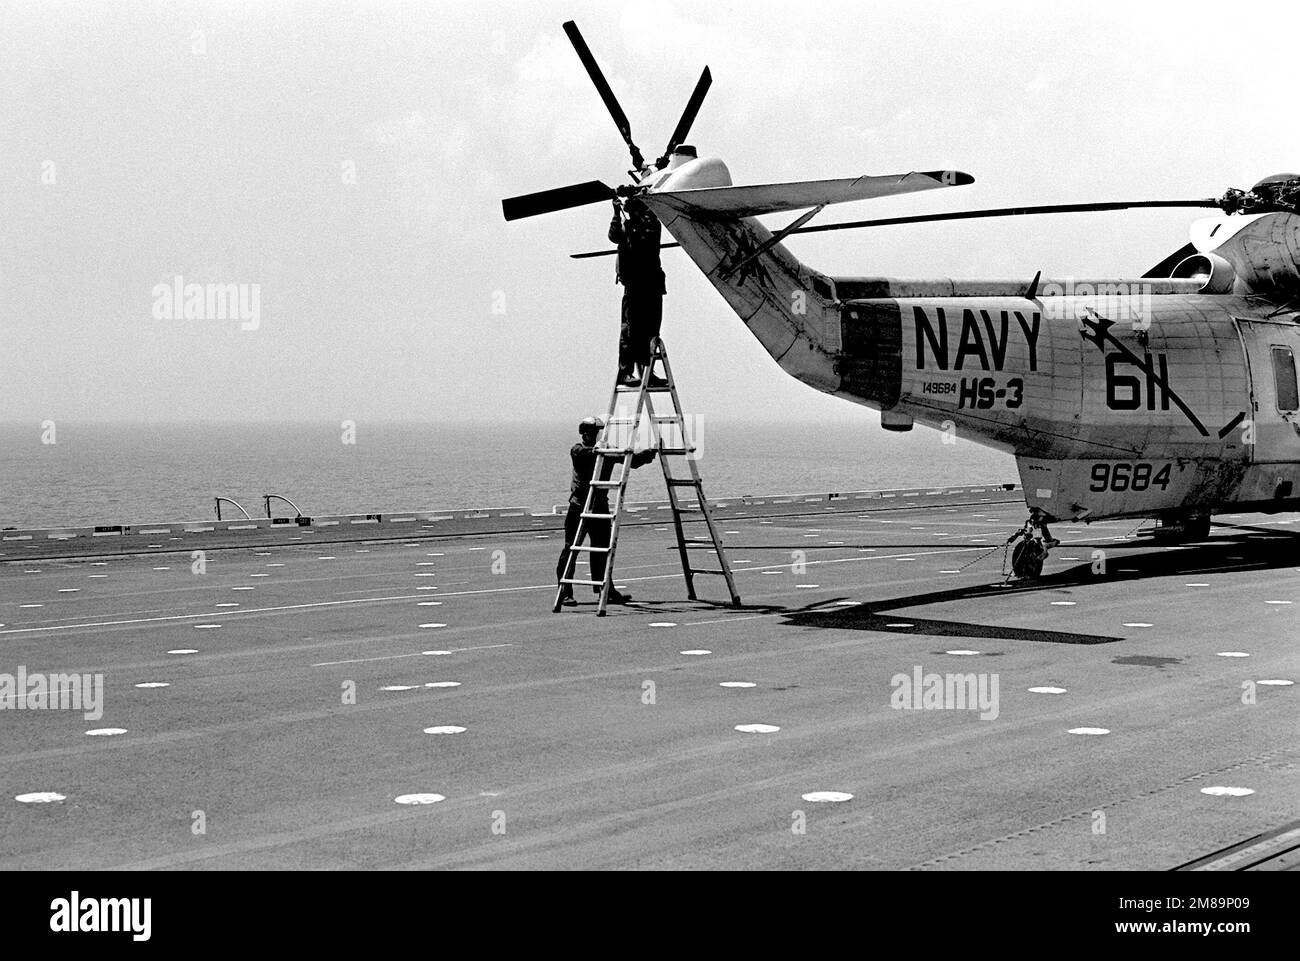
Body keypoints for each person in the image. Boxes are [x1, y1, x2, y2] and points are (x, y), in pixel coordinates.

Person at [556, 416, 657, 607]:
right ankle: (564, 591)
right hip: (579, 506)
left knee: (603, 549)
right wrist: (619, 452)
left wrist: (649, 453)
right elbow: (589, 454)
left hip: (599, 506)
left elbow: (631, 461)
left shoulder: (606, 451)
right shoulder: (578, 450)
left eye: (597, 432)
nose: (595, 435)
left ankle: (605, 589)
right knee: (570, 548)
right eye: (593, 432)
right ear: (584, 433)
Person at [609, 195, 667, 388]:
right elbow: (613, 235)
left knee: (650, 331)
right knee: (630, 331)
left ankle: (646, 372)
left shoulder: (652, 226)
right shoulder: (626, 228)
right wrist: (616, 213)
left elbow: (651, 229)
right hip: (634, 286)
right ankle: (626, 372)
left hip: (651, 286)